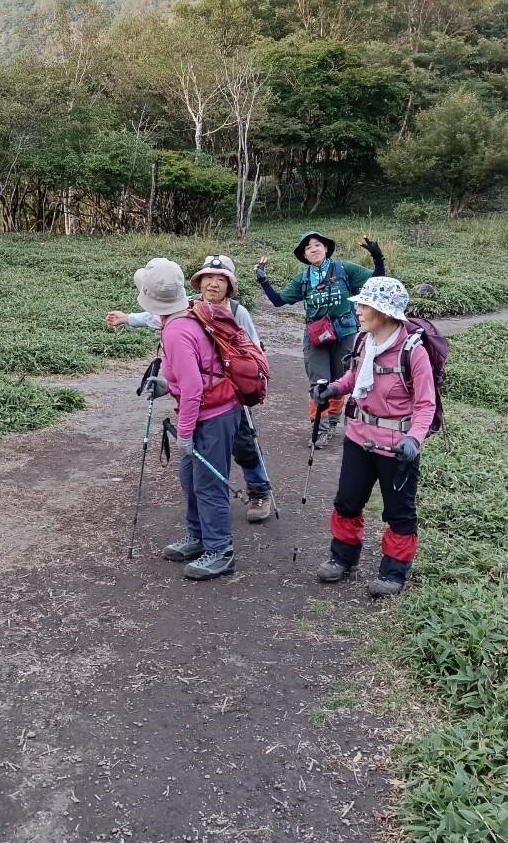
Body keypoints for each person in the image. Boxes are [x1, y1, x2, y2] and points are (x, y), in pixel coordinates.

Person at [106, 255, 271, 523]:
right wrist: (129, 319)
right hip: (205, 396)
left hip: (229, 391)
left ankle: (259, 490)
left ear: (230, 285)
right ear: (198, 281)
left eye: (221, 279)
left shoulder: (238, 312)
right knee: (208, 454)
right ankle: (206, 523)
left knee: (244, 444)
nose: (214, 284)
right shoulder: (189, 307)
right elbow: (157, 316)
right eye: (208, 277)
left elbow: (253, 348)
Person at [311, 277, 436, 597]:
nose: (359, 310)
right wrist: (334, 389)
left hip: (397, 448)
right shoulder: (365, 342)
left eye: (365, 305)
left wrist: (414, 439)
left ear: (385, 312)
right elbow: (355, 375)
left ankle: (393, 573)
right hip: (358, 436)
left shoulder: (413, 352)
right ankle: (342, 557)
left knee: (398, 511)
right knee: (347, 501)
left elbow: (425, 405)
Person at [131, 257, 241, 581]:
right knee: (190, 479)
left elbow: (193, 389)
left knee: (209, 486)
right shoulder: (183, 316)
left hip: (213, 416)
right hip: (210, 412)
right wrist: (165, 385)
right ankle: (197, 537)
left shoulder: (177, 330)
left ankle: (221, 552)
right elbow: (195, 372)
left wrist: (185, 433)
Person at [255, 232, 385, 449]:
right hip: (316, 336)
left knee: (339, 380)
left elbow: (377, 281)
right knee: (319, 382)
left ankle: (333, 421)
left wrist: (377, 257)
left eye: (317, 245)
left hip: (344, 333)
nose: (313, 249)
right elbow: (278, 301)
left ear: (326, 249)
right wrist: (263, 280)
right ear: (305, 256)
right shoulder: (303, 279)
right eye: (308, 247)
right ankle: (320, 430)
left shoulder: (345, 270)